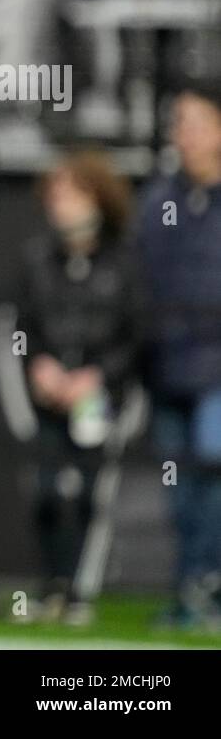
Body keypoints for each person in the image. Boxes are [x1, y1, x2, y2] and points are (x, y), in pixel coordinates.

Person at [16, 151, 140, 625]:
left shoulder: (125, 260)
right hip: (47, 399)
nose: (61, 204)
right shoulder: (36, 259)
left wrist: (97, 377)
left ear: (98, 198)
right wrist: (41, 367)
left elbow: (135, 333)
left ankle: (81, 593)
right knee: (47, 490)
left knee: (89, 491)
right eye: (55, 194)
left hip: (103, 400)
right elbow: (19, 327)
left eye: (73, 193)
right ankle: (51, 587)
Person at [135, 80, 221, 628]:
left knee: (213, 474)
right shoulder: (158, 199)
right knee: (178, 486)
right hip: (165, 368)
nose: (181, 134)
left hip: (218, 372)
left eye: (193, 121)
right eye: (177, 123)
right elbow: (139, 282)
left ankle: (207, 586)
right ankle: (191, 587)